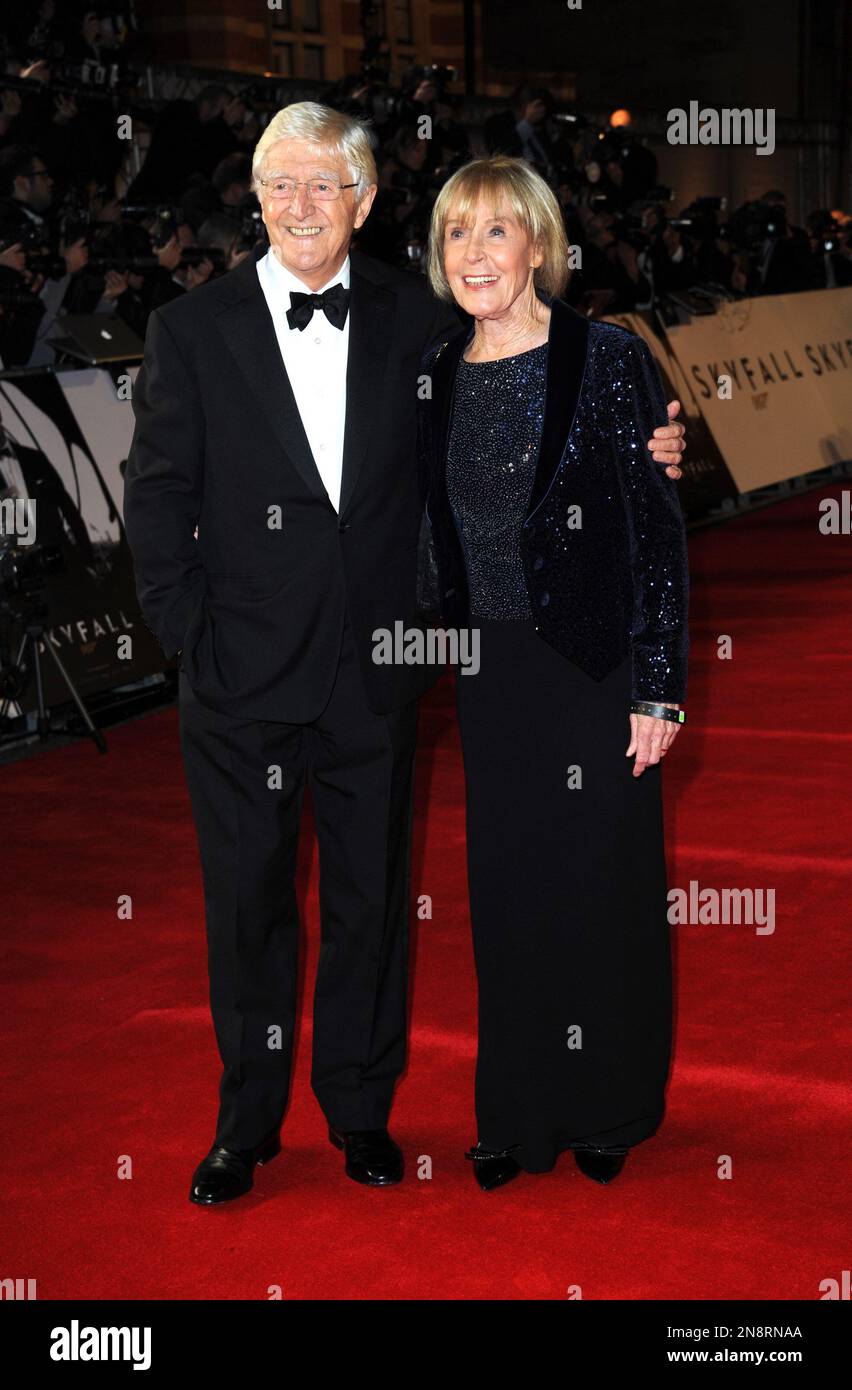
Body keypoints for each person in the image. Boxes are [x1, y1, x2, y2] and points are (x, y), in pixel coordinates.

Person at [122, 104, 687, 1206]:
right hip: (239, 680)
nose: (298, 206)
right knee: (248, 908)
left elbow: (544, 381)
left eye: (323, 186)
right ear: (255, 196)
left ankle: (360, 1113)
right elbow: (155, 509)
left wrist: (659, 439)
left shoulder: (414, 323)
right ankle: (245, 1126)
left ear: (366, 203)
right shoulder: (190, 331)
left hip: (380, 676)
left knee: (375, 904)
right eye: (278, 184)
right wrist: (192, 643)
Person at [417, 155, 689, 1191]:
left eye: (495, 231)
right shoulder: (435, 369)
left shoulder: (607, 360)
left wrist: (659, 682)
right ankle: (519, 1109)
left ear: (538, 242)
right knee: (509, 889)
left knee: (604, 887)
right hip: (491, 671)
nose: (475, 254)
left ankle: (611, 1101)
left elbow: (659, 531)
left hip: (594, 660)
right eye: (455, 235)